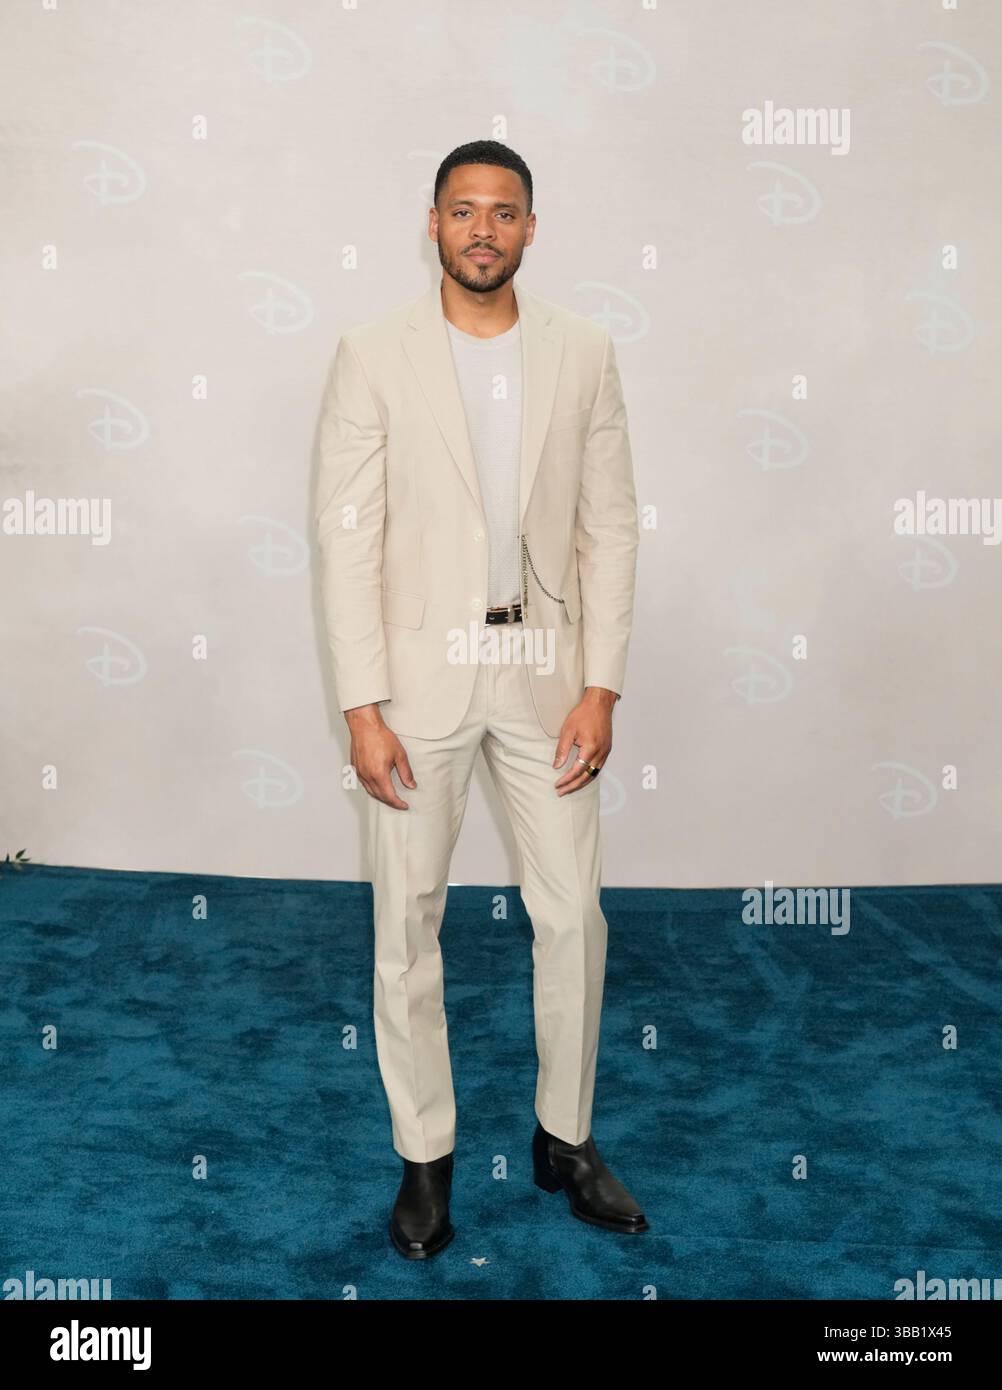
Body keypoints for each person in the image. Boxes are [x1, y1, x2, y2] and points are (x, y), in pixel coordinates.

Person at [315, 139, 647, 1258]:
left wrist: (601, 684)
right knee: (407, 925)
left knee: (575, 917)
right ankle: (427, 1161)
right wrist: (363, 705)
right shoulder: (372, 354)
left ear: (531, 229)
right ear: (434, 223)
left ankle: (566, 1137)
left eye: (505, 212)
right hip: (415, 690)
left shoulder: (585, 351)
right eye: (465, 211)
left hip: (547, 675)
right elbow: (346, 538)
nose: (484, 229)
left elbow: (610, 526)